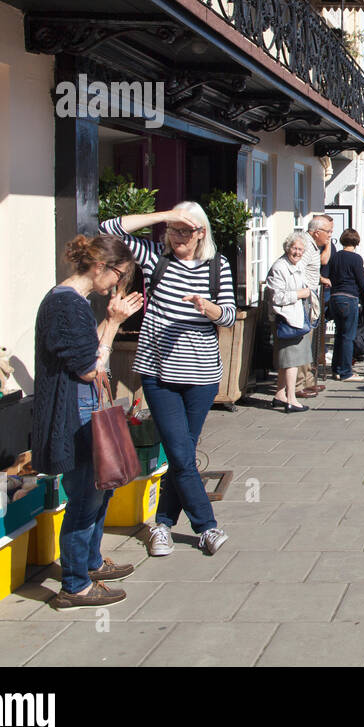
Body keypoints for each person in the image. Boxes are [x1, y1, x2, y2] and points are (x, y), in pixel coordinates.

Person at [101, 205, 236, 557]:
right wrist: (166, 214)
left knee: (183, 455)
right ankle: (207, 527)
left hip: (201, 376)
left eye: (185, 231)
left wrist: (210, 309)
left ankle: (161, 524)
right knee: (179, 451)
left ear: (201, 233)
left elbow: (230, 314)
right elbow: (110, 228)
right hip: (159, 374)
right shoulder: (154, 260)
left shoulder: (216, 266)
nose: (177, 237)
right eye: (172, 230)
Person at [32, 234, 143, 610]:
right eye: (118, 275)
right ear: (100, 267)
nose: (116, 284)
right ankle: (75, 584)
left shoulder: (72, 302)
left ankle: (91, 562)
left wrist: (108, 324)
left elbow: (85, 356)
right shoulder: (67, 305)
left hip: (84, 409)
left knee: (102, 487)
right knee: (84, 496)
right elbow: (88, 367)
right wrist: (112, 324)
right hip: (74, 414)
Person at [266, 231, 315, 412]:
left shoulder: (296, 265)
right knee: (292, 361)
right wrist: (300, 294)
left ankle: (280, 395)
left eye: (301, 249)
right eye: (294, 248)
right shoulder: (279, 267)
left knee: (287, 360)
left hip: (296, 318)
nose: (298, 252)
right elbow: (277, 297)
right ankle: (291, 399)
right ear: (288, 248)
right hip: (286, 320)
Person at [297, 214, 333, 397]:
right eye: (328, 232)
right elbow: (297, 271)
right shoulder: (304, 245)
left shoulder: (312, 246)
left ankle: (308, 381)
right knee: (303, 343)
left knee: (311, 343)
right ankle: (299, 384)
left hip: (310, 298)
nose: (330, 235)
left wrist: (319, 279)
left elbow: (308, 270)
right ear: (316, 232)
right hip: (302, 301)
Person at [327, 228, 364, 382]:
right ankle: (346, 372)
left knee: (339, 335)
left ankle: (336, 369)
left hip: (334, 297)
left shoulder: (335, 257)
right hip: (349, 298)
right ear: (356, 242)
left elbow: (330, 275)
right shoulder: (356, 259)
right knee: (348, 336)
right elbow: (360, 281)